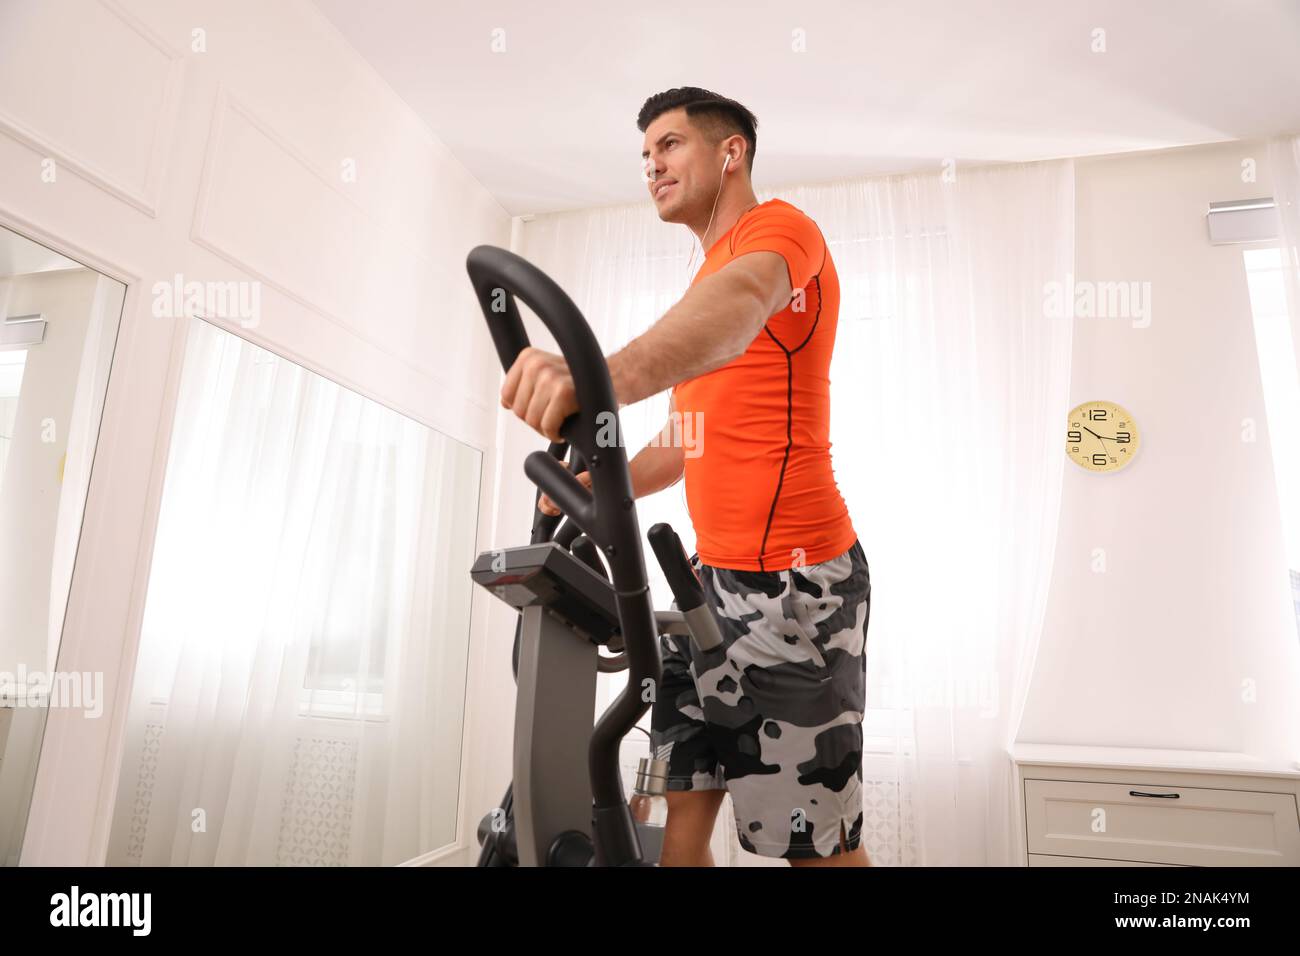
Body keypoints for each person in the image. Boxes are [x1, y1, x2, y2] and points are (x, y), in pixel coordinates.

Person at [499, 87, 870, 867]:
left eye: (668, 145)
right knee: (680, 816)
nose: (652, 166)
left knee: (814, 847)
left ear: (730, 152)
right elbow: (684, 440)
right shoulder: (705, 278)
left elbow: (742, 305)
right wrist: (602, 486)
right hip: (705, 583)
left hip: (796, 584)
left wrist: (596, 377)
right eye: (644, 155)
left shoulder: (780, 235)